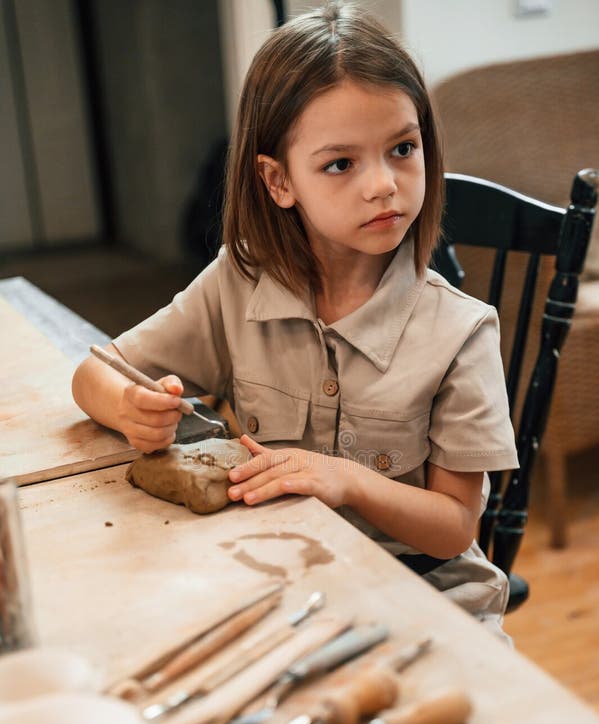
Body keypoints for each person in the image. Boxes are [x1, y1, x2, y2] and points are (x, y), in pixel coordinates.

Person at [72, 2, 518, 637]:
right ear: (278, 181)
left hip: (428, 599)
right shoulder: (238, 284)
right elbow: (93, 374)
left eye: (402, 148)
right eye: (341, 164)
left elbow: (453, 527)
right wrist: (129, 408)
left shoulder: (460, 331)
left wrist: (347, 480)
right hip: (284, 581)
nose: (383, 184)